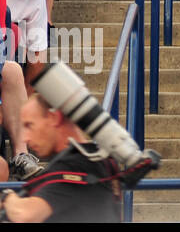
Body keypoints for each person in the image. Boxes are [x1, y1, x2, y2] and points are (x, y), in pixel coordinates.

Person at [2, 93, 120, 222]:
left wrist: (6, 197)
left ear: (54, 118)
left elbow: (24, 214)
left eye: (29, 125)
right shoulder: (97, 159)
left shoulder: (74, 166)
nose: (25, 138)